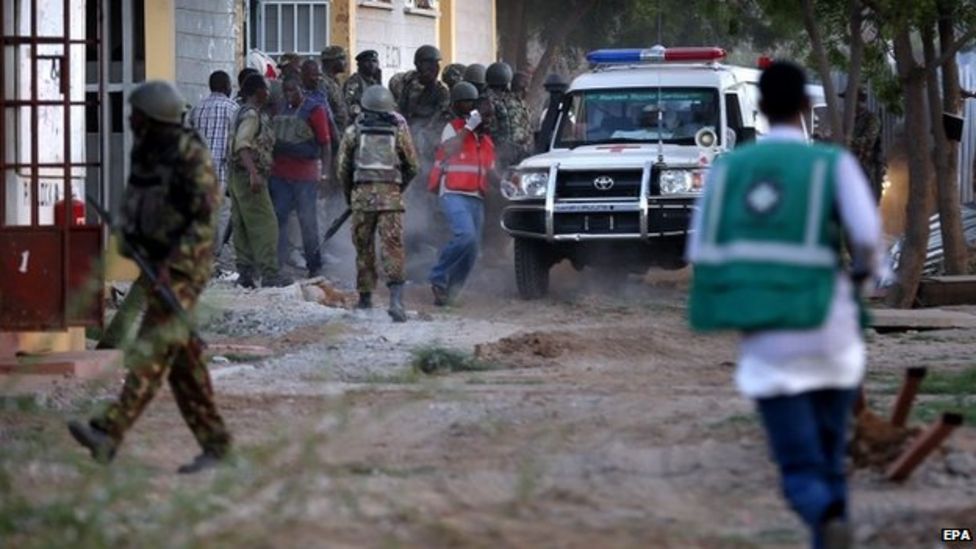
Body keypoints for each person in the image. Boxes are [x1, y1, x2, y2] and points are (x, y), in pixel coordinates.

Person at [686, 61, 881, 549]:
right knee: (831, 457)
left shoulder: (727, 170)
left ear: (759, 107)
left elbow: (701, 253)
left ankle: (823, 514)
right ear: (806, 107)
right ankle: (832, 524)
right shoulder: (832, 165)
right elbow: (869, 240)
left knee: (799, 465)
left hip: (770, 341)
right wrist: (859, 278)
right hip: (833, 330)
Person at [67, 80, 232, 474]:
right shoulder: (146, 151)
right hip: (155, 264)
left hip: (181, 270)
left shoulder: (189, 154)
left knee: (151, 352)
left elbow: (203, 218)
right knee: (184, 363)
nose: (130, 119)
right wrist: (128, 235)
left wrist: (172, 263)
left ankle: (110, 431)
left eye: (136, 114)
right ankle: (217, 445)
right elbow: (135, 201)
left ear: (154, 118)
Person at [337, 86, 420, 321]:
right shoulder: (399, 131)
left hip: (362, 199)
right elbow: (413, 166)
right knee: (392, 248)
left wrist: (349, 196)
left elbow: (342, 168)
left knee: (364, 248)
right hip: (391, 199)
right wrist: (397, 188)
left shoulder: (354, 131)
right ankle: (396, 302)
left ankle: (365, 300)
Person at [427, 82, 498, 305]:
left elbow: (491, 171)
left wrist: (508, 183)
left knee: (473, 250)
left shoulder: (485, 140)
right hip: (453, 192)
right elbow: (447, 149)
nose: (487, 120)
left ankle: (452, 291)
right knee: (465, 236)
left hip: (475, 197)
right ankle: (438, 278)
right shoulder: (454, 127)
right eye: (484, 116)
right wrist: (468, 127)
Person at [228, 74, 290, 288]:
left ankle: (245, 273)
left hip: (236, 175)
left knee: (243, 224)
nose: (268, 92)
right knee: (266, 224)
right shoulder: (252, 115)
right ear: (257, 91)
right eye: (265, 88)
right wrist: (254, 173)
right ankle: (270, 274)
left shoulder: (240, 111)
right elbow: (242, 145)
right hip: (248, 175)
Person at [269, 76, 333, 279]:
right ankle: (276, 265)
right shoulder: (280, 110)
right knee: (279, 220)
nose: (289, 95)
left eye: (293, 91)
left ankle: (314, 266)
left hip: (305, 175)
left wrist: (325, 174)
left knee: (308, 221)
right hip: (280, 175)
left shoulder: (315, 110)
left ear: (301, 90)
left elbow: (325, 143)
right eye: (286, 91)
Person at [188, 71, 238, 251]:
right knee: (222, 213)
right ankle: (214, 254)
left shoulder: (197, 109)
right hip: (221, 172)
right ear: (226, 86)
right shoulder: (233, 108)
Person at [389, 45, 450, 162]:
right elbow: (397, 109)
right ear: (418, 64)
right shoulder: (405, 83)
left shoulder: (441, 91)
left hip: (427, 138)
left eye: (436, 64)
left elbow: (438, 118)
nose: (434, 68)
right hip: (405, 133)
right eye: (429, 64)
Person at [847, 90, 882, 201]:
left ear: (860, 101)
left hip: (866, 165)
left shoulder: (872, 119)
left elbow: (868, 141)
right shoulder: (848, 120)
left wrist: (847, 141)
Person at [344, 49, 382, 120]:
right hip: (360, 120)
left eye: (374, 61)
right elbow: (347, 101)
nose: (371, 65)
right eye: (367, 61)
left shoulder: (376, 82)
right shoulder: (354, 81)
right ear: (359, 64)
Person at [320, 46, 351, 130]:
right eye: (342, 59)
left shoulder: (335, 81)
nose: (346, 63)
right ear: (331, 62)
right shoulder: (322, 83)